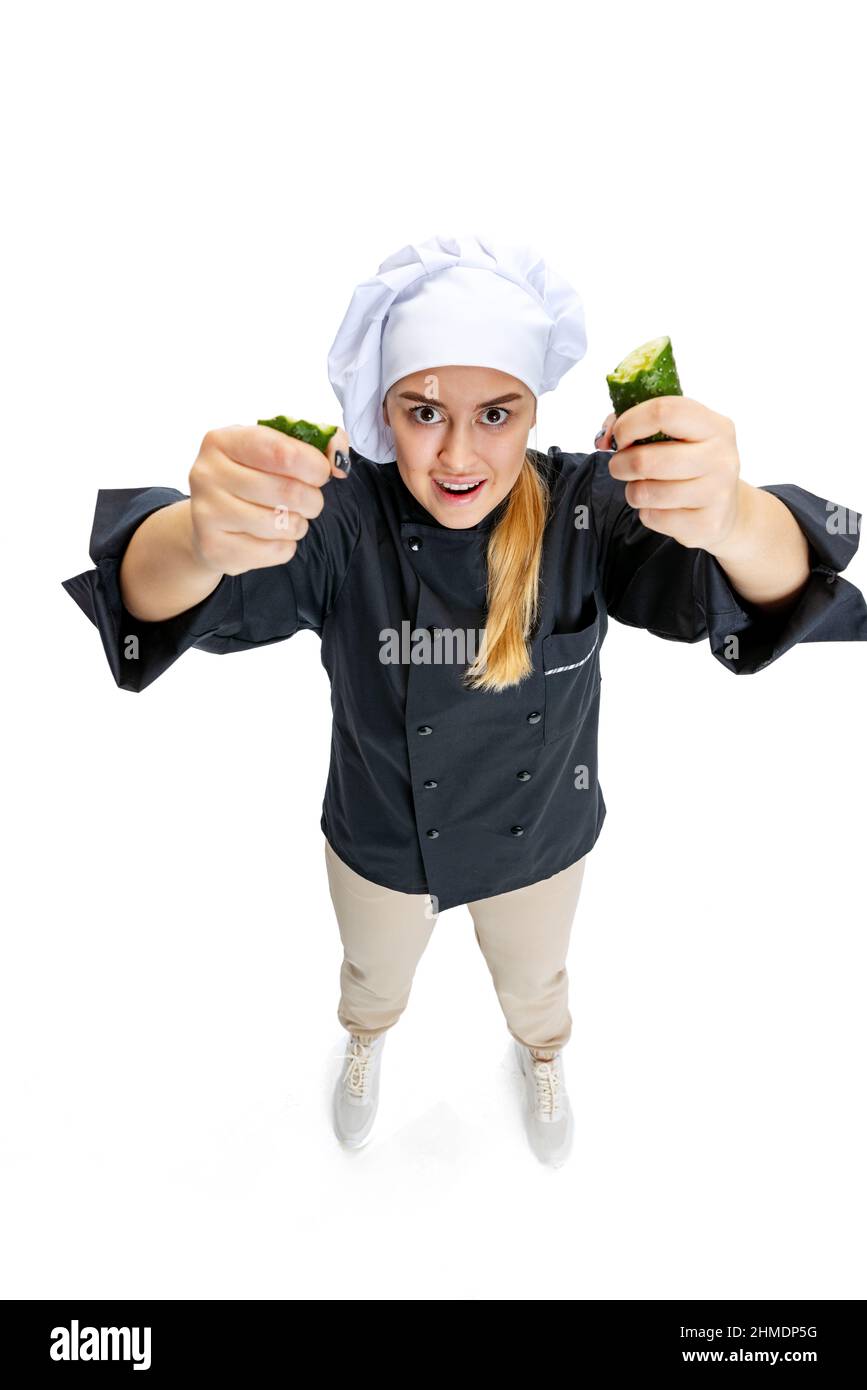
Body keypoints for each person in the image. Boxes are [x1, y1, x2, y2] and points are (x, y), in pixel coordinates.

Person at [61, 232, 867, 1168]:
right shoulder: (344, 516)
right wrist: (199, 537)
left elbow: (766, 586)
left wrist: (733, 517)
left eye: (495, 413)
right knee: (372, 976)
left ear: (532, 411)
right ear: (381, 412)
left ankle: (542, 1053)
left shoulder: (589, 507)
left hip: (539, 837)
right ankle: (364, 1039)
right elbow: (161, 598)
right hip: (377, 837)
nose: (456, 452)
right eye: (421, 411)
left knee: (537, 982)